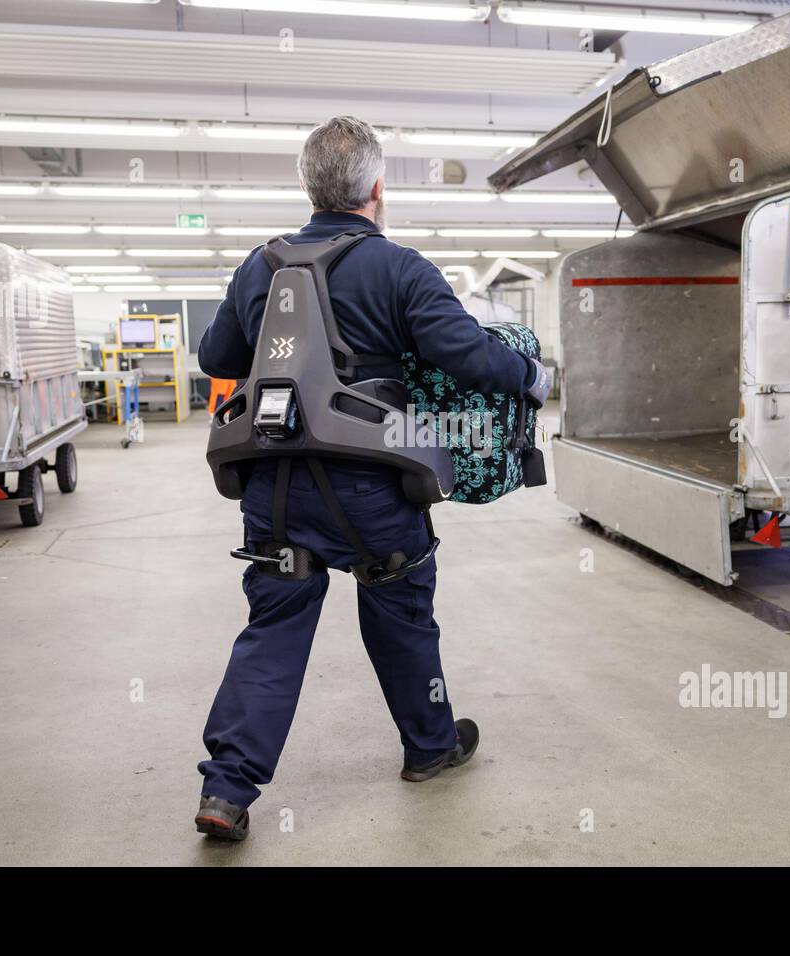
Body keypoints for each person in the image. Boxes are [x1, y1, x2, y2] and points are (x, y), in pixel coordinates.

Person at [194, 116, 552, 841]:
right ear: (377, 190)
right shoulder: (400, 268)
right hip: (373, 484)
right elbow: (466, 356)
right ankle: (428, 747)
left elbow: (214, 356)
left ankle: (227, 792)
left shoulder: (258, 267)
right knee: (399, 603)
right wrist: (530, 375)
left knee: (274, 626)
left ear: (307, 186)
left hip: (273, 487)